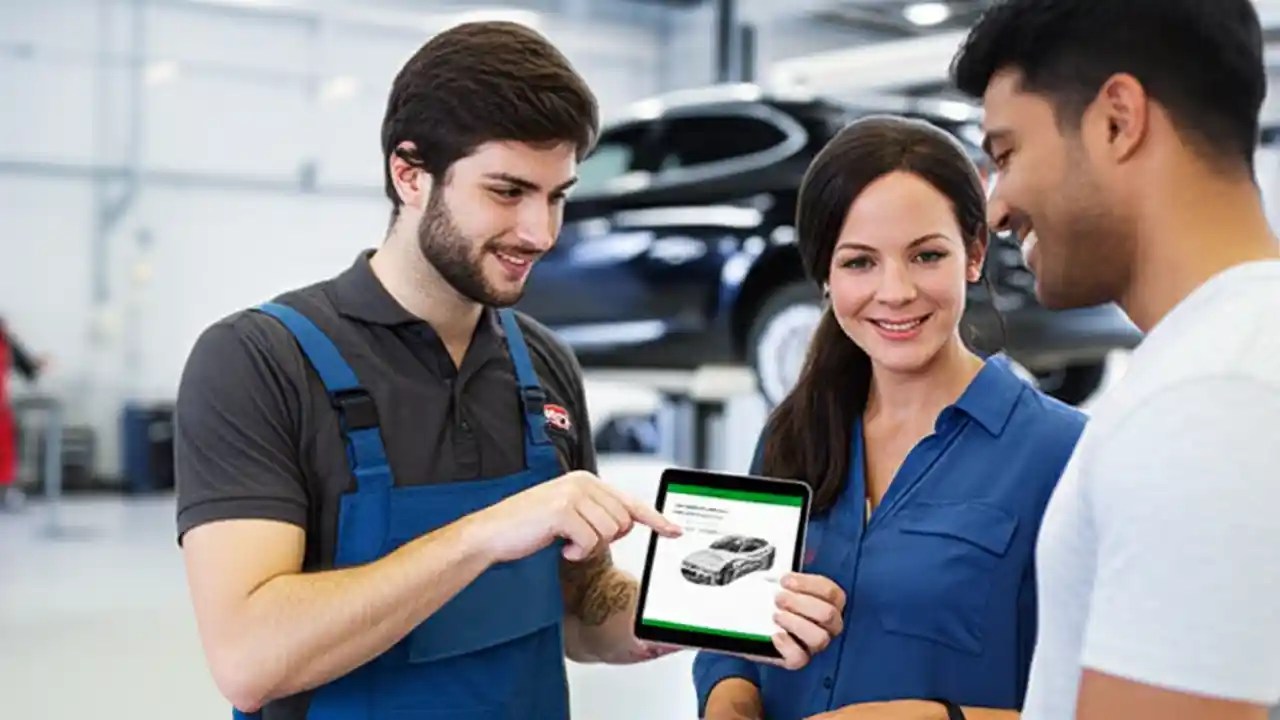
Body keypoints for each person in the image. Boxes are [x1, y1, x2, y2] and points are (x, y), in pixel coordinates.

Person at [174, 21, 845, 720]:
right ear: (410, 174)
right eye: (507, 191)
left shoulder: (542, 363)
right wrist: (484, 534)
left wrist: (715, 607)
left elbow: (580, 609)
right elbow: (249, 660)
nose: (541, 232)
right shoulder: (258, 363)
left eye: (557, 196)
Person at [694, 115, 1087, 720]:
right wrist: (731, 703)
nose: (895, 291)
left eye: (926, 255)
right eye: (859, 263)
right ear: (824, 273)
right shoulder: (789, 433)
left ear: (974, 254)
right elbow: (726, 642)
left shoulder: (1064, 454)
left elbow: (1111, 700)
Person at [951, 1, 1280, 719]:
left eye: (1005, 155)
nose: (997, 208)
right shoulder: (1223, 361)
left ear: (1117, 121)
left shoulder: (1212, 400)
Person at [0, 317, 44, 510]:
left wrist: (38, 365)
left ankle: (6, 491)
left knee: (6, 452)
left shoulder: (7, 341)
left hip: (1, 408)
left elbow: (28, 369)